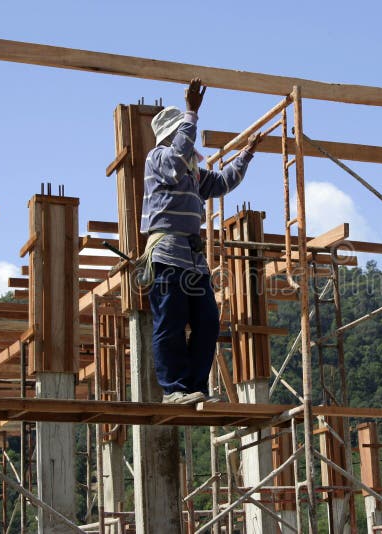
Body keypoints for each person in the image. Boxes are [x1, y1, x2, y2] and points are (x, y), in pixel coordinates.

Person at [138, 78, 262, 404]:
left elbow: (221, 182)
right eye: (186, 136)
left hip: (191, 258)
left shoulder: (190, 173)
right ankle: (173, 389)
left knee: (207, 322)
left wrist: (245, 156)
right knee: (171, 323)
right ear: (174, 135)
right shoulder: (160, 159)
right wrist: (191, 113)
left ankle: (194, 388)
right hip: (167, 254)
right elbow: (178, 155)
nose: (193, 148)